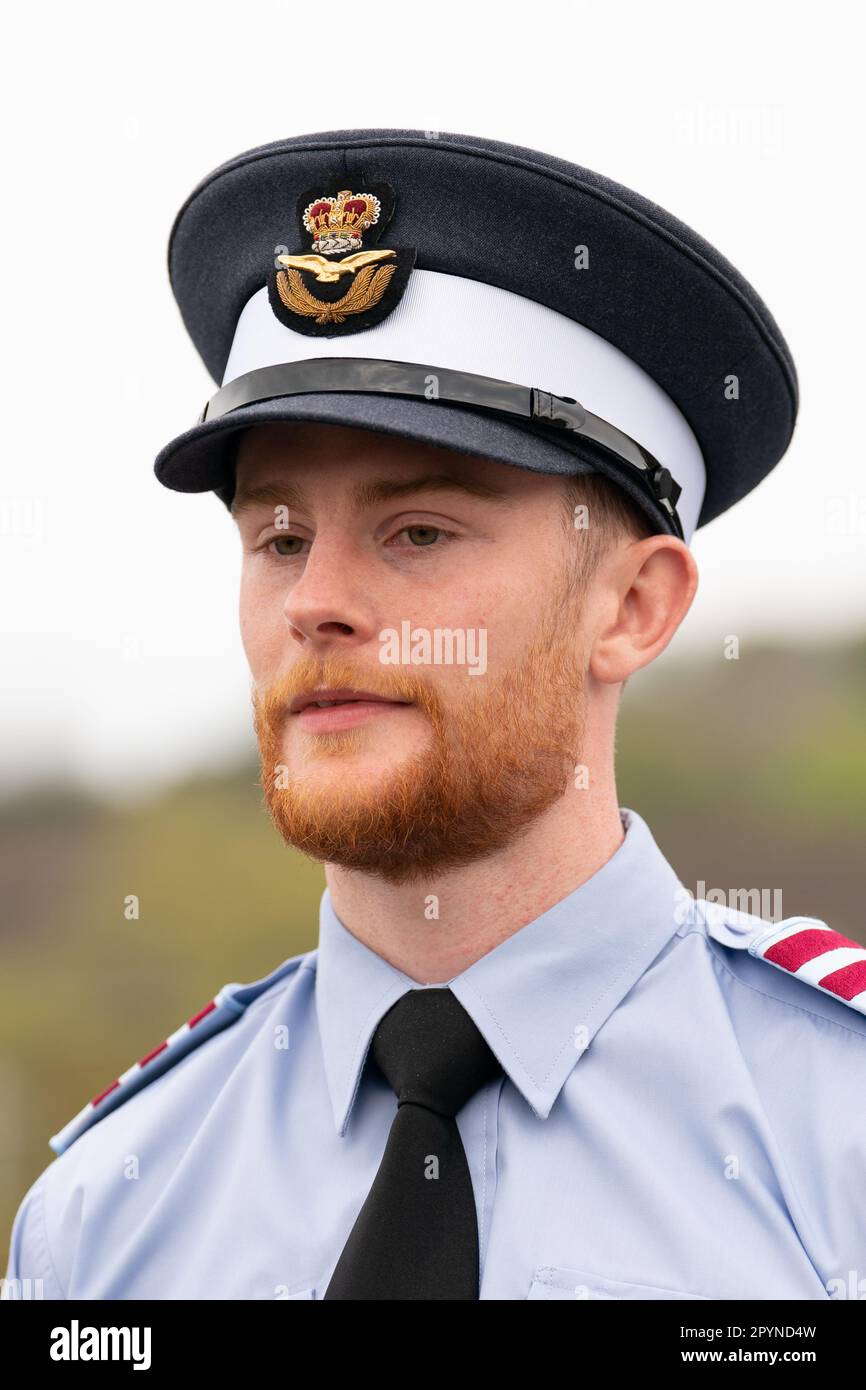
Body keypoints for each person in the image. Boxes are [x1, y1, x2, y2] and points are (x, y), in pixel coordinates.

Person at [5, 128, 865, 1301]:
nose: (316, 604)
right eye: (280, 538)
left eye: (417, 532)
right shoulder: (106, 1217)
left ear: (631, 605)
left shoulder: (835, 1132)